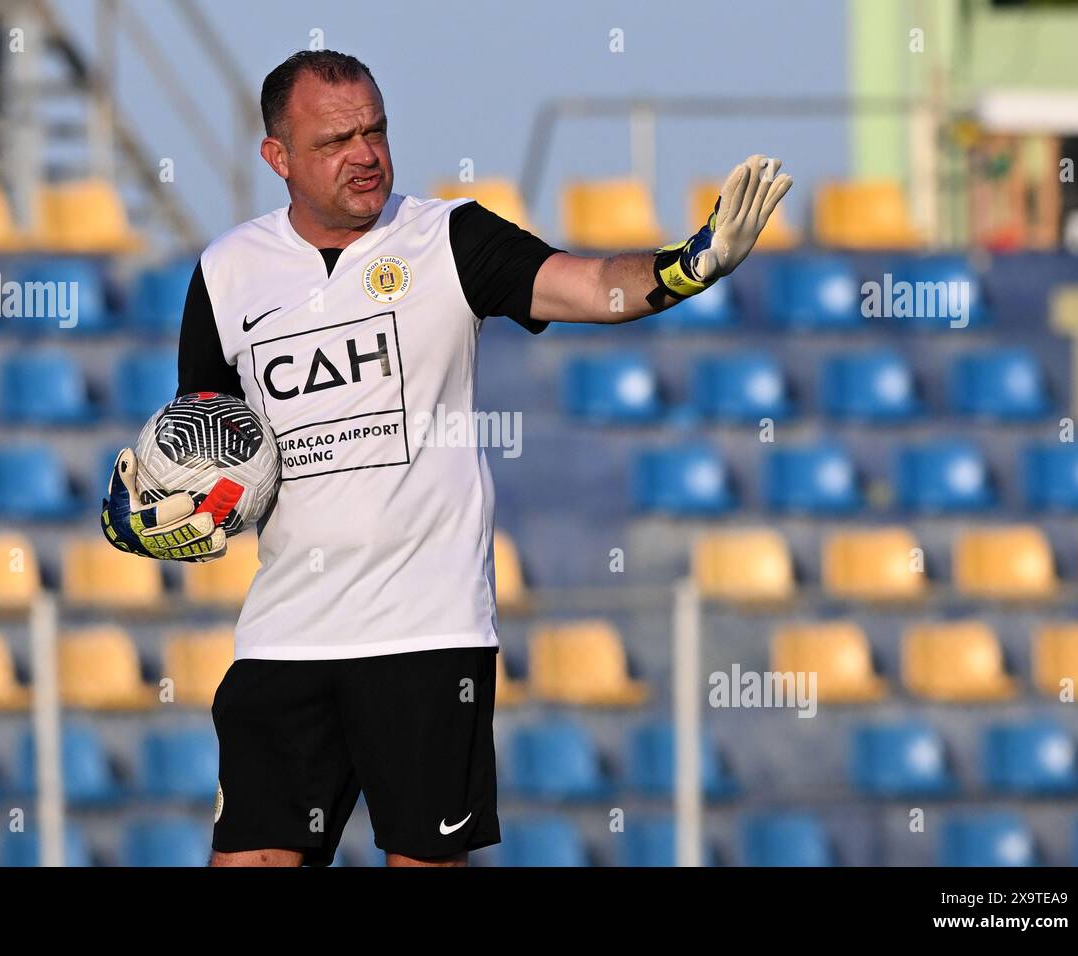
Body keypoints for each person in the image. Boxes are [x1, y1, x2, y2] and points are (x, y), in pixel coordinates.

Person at [101, 49, 791, 867]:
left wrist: (689, 264)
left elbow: (590, 284)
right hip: (286, 634)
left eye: (376, 130)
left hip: (426, 635)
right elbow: (208, 440)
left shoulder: (449, 238)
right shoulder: (225, 272)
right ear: (277, 157)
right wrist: (178, 514)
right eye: (336, 141)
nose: (365, 153)